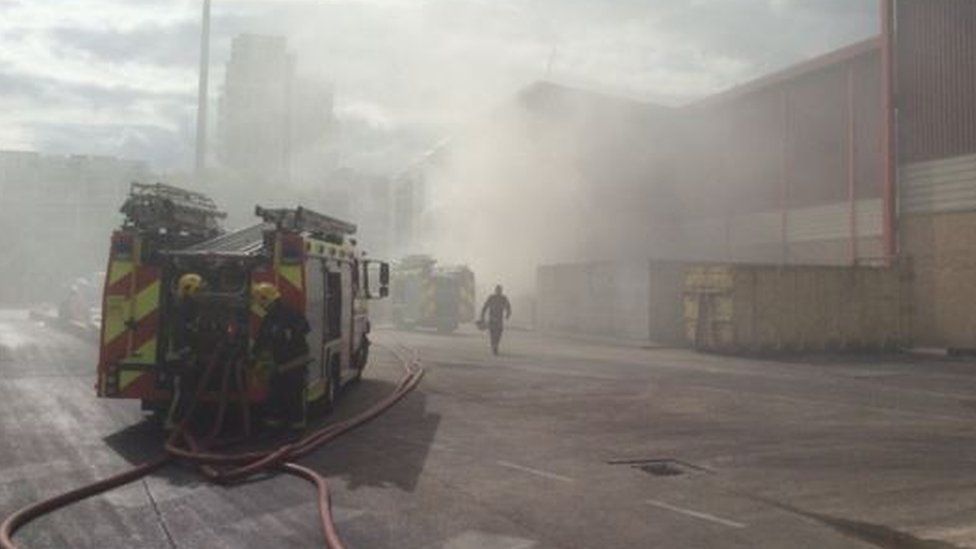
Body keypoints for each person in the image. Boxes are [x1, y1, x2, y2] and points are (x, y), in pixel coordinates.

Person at [252, 282, 311, 430]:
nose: (260, 305)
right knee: (274, 399)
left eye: (260, 301)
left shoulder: (290, 314)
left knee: (293, 398)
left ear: (267, 299)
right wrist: (254, 357)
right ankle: (274, 429)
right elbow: (262, 341)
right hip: (279, 367)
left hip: (294, 365)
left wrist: (290, 333)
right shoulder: (269, 318)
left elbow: (304, 327)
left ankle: (296, 430)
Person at [480, 285, 512, 355]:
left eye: (499, 290)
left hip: (499, 319)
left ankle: (495, 345)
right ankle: (494, 346)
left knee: (499, 333)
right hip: (492, 318)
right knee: (493, 333)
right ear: (495, 290)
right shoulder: (491, 298)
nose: (498, 291)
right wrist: (482, 316)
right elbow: (485, 307)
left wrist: (508, 314)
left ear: (501, 291)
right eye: (497, 290)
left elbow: (508, 307)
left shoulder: (503, 298)